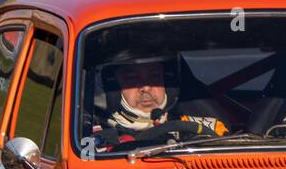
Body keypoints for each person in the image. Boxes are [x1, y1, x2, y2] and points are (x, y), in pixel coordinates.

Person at [89, 56, 228, 150]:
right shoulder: (87, 139)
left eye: (154, 76)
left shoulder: (204, 127)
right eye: (132, 78)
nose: (146, 88)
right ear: (111, 87)